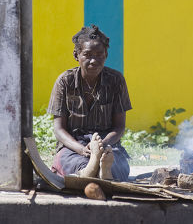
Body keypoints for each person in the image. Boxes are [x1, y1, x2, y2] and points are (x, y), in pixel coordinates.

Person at [48, 25, 131, 181]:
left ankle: (102, 171)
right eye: (87, 54)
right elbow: (59, 129)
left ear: (106, 55)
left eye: (99, 54)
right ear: (76, 55)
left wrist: (102, 145)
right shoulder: (65, 82)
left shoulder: (116, 80)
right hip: (74, 146)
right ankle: (93, 171)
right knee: (70, 162)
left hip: (107, 145)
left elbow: (119, 127)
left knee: (118, 165)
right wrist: (81, 149)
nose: (93, 60)